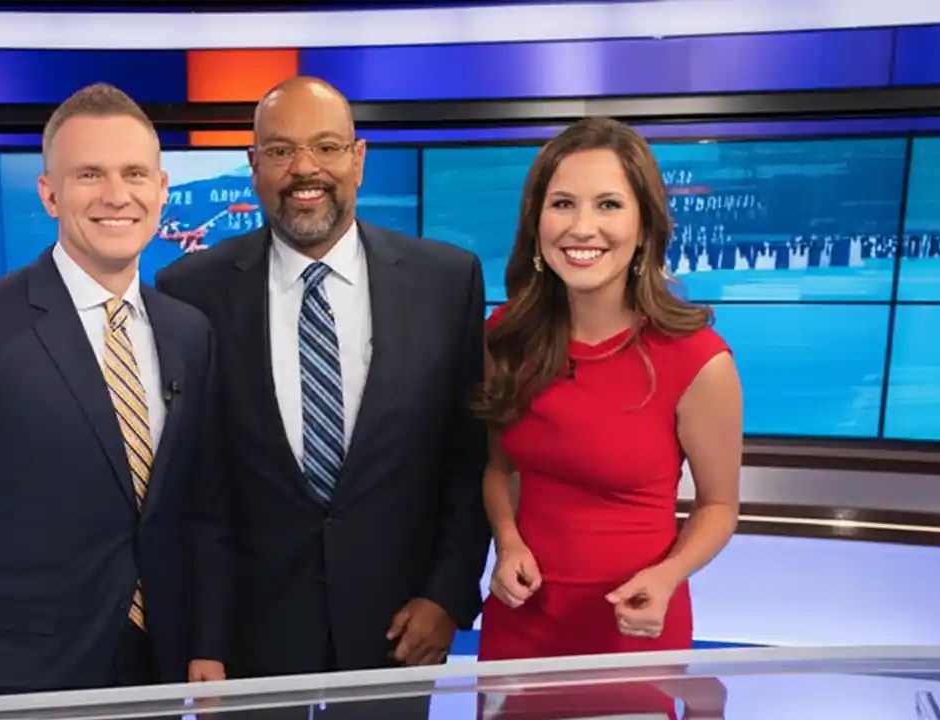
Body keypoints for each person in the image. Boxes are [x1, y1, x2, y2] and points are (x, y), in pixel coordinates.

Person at [0, 82, 230, 699]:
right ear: (50, 194)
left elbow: (203, 510)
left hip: (153, 670)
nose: (116, 195)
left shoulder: (188, 331)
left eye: (135, 174)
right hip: (11, 686)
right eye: (89, 175)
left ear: (162, 189)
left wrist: (207, 642)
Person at [154, 76, 490, 682]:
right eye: (281, 151)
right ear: (254, 166)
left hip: (399, 629)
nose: (305, 168)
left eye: (327, 147)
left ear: (358, 159)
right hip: (248, 639)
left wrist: (446, 596)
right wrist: (204, 637)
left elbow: (468, 462)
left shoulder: (445, 281)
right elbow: (194, 486)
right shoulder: (190, 290)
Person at [473, 116, 741, 716]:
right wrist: (508, 544)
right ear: (537, 221)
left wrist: (668, 576)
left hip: (634, 628)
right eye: (562, 203)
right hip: (520, 626)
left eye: (609, 204)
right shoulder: (506, 338)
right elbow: (499, 470)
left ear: (643, 227)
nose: (582, 227)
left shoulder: (698, 360)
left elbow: (719, 506)